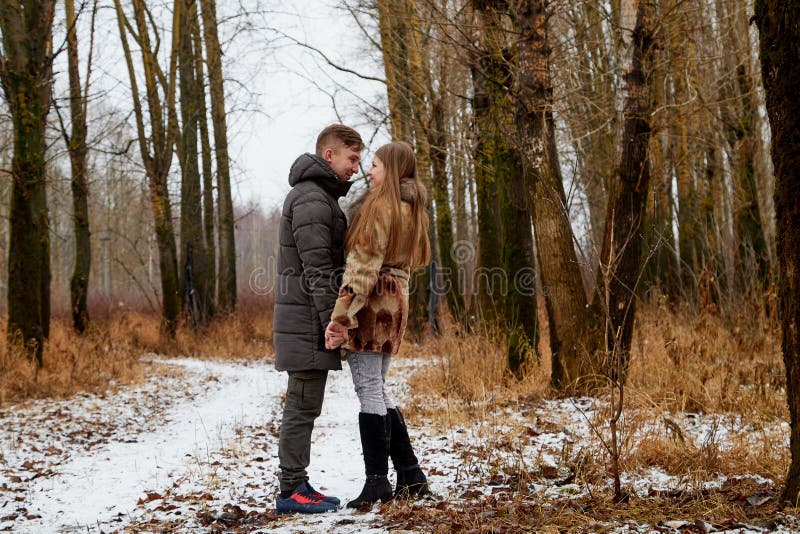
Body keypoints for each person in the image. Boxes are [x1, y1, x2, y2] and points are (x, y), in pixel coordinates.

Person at [325, 141, 432, 508]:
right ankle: (410, 472)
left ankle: (376, 482)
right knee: (379, 389)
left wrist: (341, 317)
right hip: (397, 299)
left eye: (374, 164)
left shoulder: (382, 207)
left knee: (369, 389)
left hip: (373, 303)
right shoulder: (412, 209)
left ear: (391, 168)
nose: (369, 171)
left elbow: (361, 268)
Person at [273, 124, 363, 514]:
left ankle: (296, 483)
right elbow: (319, 270)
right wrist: (335, 322)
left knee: (304, 404)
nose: (356, 168)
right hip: (309, 322)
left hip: (308, 320)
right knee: (303, 404)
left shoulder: (320, 197)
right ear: (329, 155)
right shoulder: (311, 199)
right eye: (352, 159)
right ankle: (291, 489)